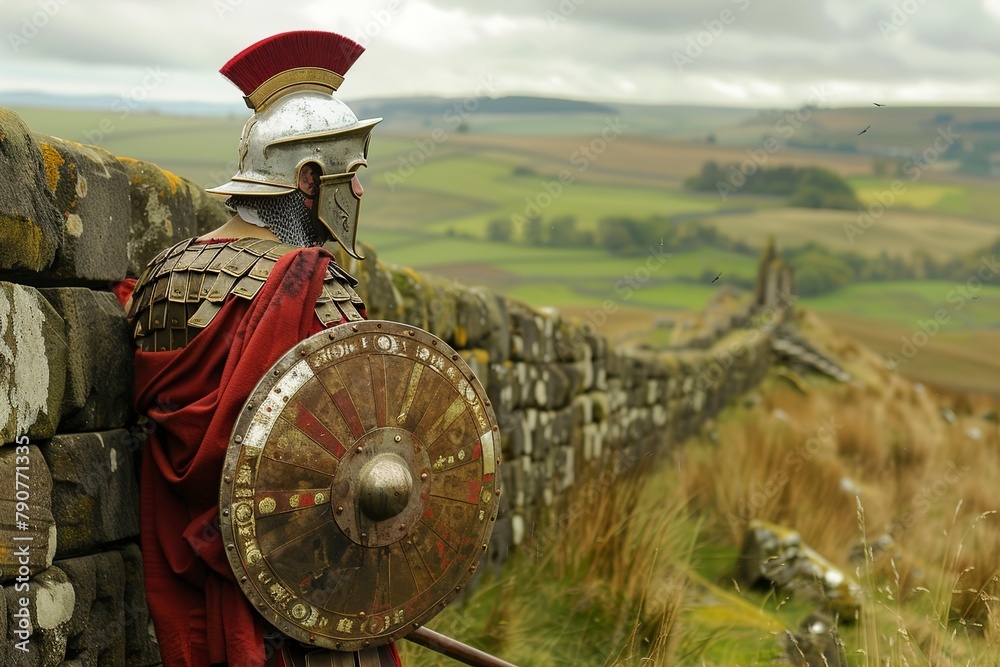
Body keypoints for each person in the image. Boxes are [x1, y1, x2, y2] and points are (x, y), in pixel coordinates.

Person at [116, 31, 400, 667]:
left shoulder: (164, 277)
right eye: (351, 177)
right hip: (304, 580)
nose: (358, 194)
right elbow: (353, 453)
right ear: (306, 177)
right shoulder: (318, 289)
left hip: (181, 567)